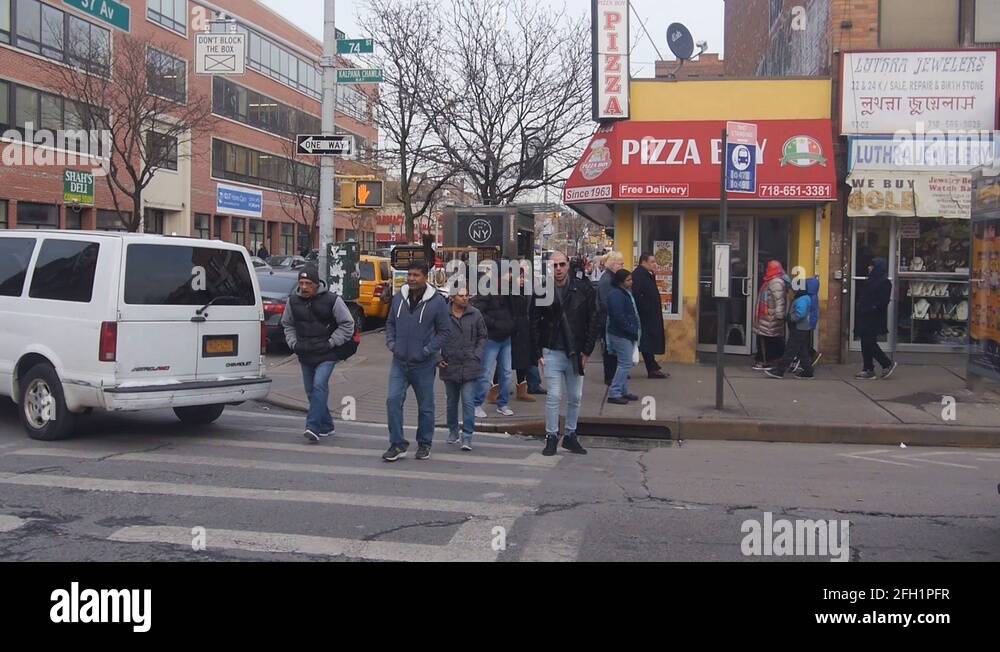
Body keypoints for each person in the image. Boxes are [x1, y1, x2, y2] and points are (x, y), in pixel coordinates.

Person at [531, 251, 602, 456]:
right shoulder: (543, 290)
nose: (558, 269)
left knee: (575, 396)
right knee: (553, 395)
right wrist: (538, 352)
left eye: (561, 264)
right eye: (554, 265)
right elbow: (533, 321)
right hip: (551, 350)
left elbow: (594, 318)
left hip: (576, 352)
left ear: (568, 265)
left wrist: (587, 351)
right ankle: (551, 436)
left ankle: (570, 435)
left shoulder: (582, 288)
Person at [383, 261, 451, 462]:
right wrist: (391, 343)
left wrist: (428, 350)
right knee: (393, 401)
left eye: (416, 275)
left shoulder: (437, 301)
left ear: (425, 277)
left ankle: (424, 443)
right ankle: (397, 444)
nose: (412, 279)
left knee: (426, 406)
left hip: (423, 363)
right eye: (409, 275)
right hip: (399, 361)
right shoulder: (398, 298)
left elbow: (445, 331)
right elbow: (390, 323)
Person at [280, 267, 357, 442]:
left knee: (319, 386)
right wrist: (293, 343)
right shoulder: (293, 302)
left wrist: (331, 342)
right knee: (310, 391)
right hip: (305, 353)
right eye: (301, 283)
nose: (304, 287)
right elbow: (288, 324)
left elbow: (347, 324)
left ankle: (312, 426)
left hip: (327, 354)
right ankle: (327, 426)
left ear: (316, 285)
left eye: (308, 283)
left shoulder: (332, 300)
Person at [439, 286, 487, 451]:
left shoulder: (475, 314)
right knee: (451, 402)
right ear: (452, 297)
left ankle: (467, 436)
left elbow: (482, 336)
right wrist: (437, 357)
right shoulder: (443, 314)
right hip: (449, 363)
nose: (465, 298)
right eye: (461, 295)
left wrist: (477, 355)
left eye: (467, 295)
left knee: (468, 401)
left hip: (469, 364)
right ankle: (453, 431)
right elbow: (433, 336)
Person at [472, 266, 516, 418]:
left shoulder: (509, 290)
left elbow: (514, 310)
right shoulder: (486, 290)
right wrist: (495, 323)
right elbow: (478, 312)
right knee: (485, 373)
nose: (510, 278)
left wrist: (511, 324)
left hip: (506, 337)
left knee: (507, 373)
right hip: (491, 338)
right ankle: (476, 404)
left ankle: (503, 403)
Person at [765, 277, 820, 380]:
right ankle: (808, 372)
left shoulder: (802, 299)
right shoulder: (805, 298)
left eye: (792, 289)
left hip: (799, 328)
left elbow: (800, 313)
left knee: (790, 350)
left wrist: (790, 317)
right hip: (802, 328)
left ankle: (779, 371)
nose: (790, 291)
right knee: (801, 350)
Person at [854, 258, 898, 380]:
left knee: (869, 343)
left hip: (873, 318)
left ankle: (886, 363)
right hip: (865, 316)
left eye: (872, 266)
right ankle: (868, 368)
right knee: (865, 342)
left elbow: (883, 302)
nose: (869, 268)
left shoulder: (884, 282)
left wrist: (870, 308)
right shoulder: (870, 281)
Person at [605, 269, 641, 404]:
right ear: (621, 282)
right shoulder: (616, 295)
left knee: (625, 363)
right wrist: (631, 328)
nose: (631, 282)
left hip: (624, 333)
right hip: (621, 334)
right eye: (628, 280)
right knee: (625, 363)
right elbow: (618, 316)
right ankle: (615, 392)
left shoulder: (622, 293)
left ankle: (623, 391)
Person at [631, 253, 669, 379]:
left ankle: (653, 367)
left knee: (649, 341)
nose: (654, 264)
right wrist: (645, 308)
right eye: (652, 262)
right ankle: (652, 368)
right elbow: (637, 295)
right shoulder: (638, 275)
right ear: (644, 262)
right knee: (646, 341)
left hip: (650, 314)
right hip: (645, 316)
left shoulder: (648, 275)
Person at [511, 267, 543, 401]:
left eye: (523, 276)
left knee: (523, 360)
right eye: (520, 277)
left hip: (524, 329)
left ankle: (522, 389)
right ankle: (496, 388)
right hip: (513, 331)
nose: (523, 279)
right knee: (506, 362)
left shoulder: (526, 291)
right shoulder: (509, 293)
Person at [752, 260, 789, 370]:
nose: (767, 270)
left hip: (771, 317)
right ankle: (769, 361)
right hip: (768, 317)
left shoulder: (776, 282)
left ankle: (765, 362)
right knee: (769, 339)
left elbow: (779, 300)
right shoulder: (772, 280)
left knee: (766, 339)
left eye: (769, 268)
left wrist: (779, 315)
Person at [597, 251, 625, 385]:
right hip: (608, 320)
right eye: (620, 263)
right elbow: (605, 302)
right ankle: (610, 376)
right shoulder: (607, 280)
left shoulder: (611, 278)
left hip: (610, 319)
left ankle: (613, 375)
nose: (622, 266)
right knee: (610, 350)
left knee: (613, 350)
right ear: (613, 264)